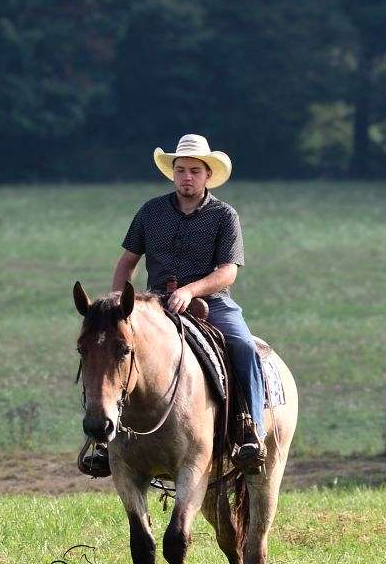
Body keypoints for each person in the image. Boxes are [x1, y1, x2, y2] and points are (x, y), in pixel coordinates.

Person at [83, 134, 265, 474]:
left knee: (243, 346)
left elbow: (227, 272)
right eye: (180, 170)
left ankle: (250, 431)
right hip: (153, 304)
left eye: (195, 170)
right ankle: (103, 442)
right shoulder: (150, 212)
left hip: (212, 303)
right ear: (173, 173)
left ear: (207, 174)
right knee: (107, 352)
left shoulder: (225, 216)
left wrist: (191, 291)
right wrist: (115, 309)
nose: (187, 177)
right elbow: (127, 262)